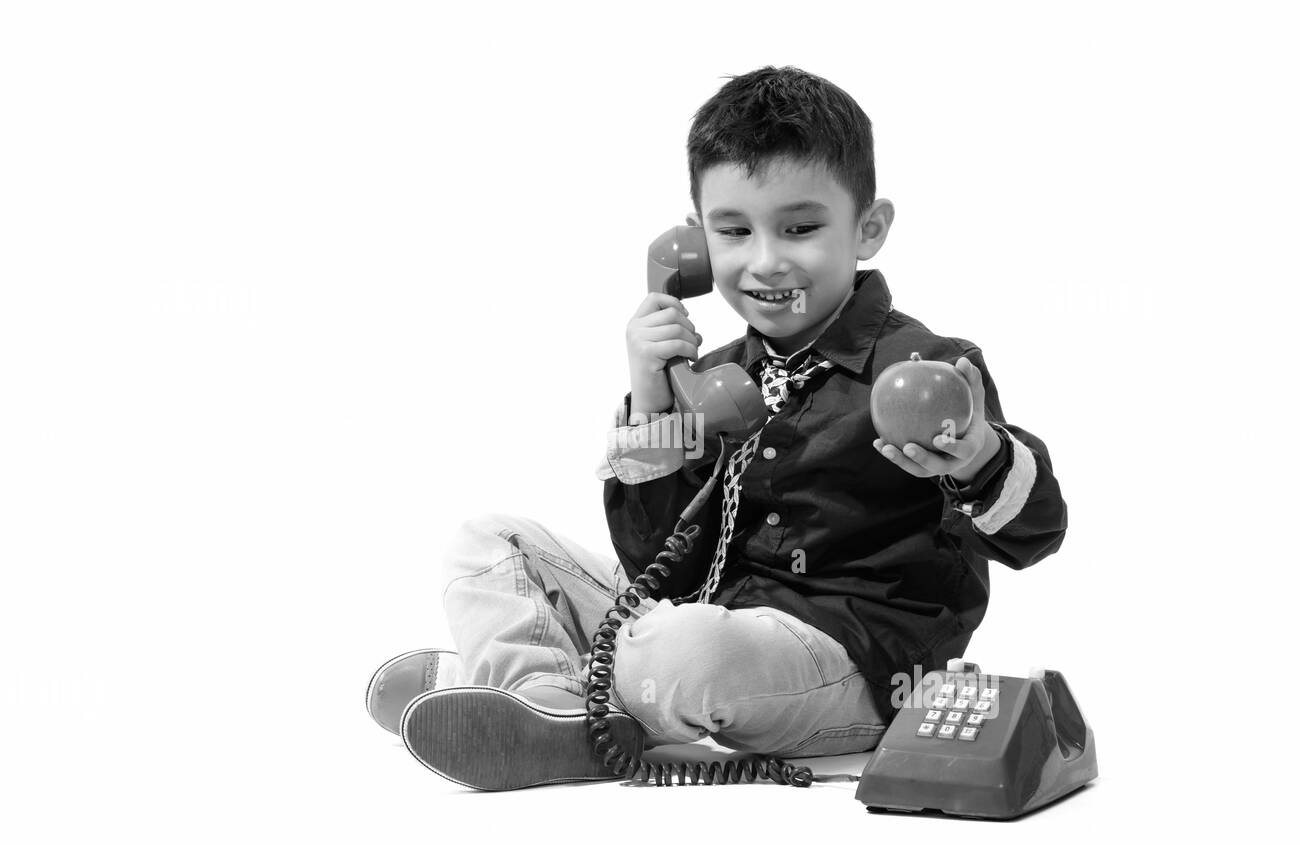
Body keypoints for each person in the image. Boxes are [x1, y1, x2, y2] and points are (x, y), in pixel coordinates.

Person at [365, 65, 1067, 791]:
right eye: (734, 230)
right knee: (488, 542)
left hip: (855, 664)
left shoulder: (929, 369)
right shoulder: (714, 375)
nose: (765, 261)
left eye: (800, 227)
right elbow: (651, 559)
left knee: (681, 652)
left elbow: (1036, 533)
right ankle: (549, 709)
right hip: (704, 624)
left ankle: (519, 677)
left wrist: (980, 455)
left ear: (869, 227)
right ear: (696, 241)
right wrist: (653, 404)